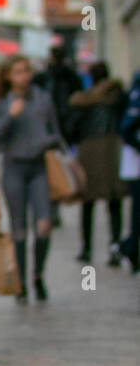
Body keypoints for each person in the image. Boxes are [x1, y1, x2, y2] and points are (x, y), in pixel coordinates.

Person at [0, 55, 62, 302]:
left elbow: (55, 131)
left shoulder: (42, 97)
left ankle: (38, 275)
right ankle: (20, 283)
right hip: (14, 168)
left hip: (39, 166)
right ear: (8, 76)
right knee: (19, 229)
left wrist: (56, 147)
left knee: (43, 225)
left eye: (26, 71)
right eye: (18, 72)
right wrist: (9, 115)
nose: (24, 76)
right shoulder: (1, 102)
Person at [68, 61, 127, 264]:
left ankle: (86, 249)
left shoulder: (83, 101)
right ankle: (115, 247)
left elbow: (72, 127)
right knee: (114, 202)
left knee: (88, 202)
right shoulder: (118, 96)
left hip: (89, 151)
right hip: (112, 150)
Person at [117, 70, 140, 271]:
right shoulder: (136, 93)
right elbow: (127, 128)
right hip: (135, 164)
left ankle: (128, 247)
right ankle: (130, 249)